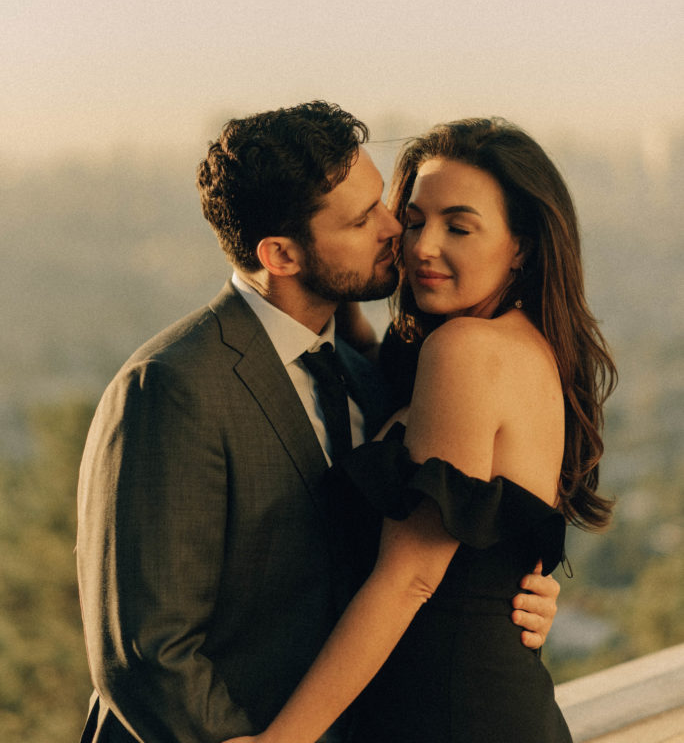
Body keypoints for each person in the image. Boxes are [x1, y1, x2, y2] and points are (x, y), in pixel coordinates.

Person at [76, 103, 560, 743]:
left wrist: (506, 590)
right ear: (280, 253)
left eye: (387, 204)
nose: (398, 231)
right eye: (367, 219)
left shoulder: (373, 373)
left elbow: (423, 551)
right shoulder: (174, 385)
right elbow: (145, 654)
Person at [226, 117, 616, 743]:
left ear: (521, 247)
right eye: (412, 221)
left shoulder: (465, 350)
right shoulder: (503, 346)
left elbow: (410, 578)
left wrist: (281, 741)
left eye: (459, 227)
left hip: (457, 712)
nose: (423, 246)